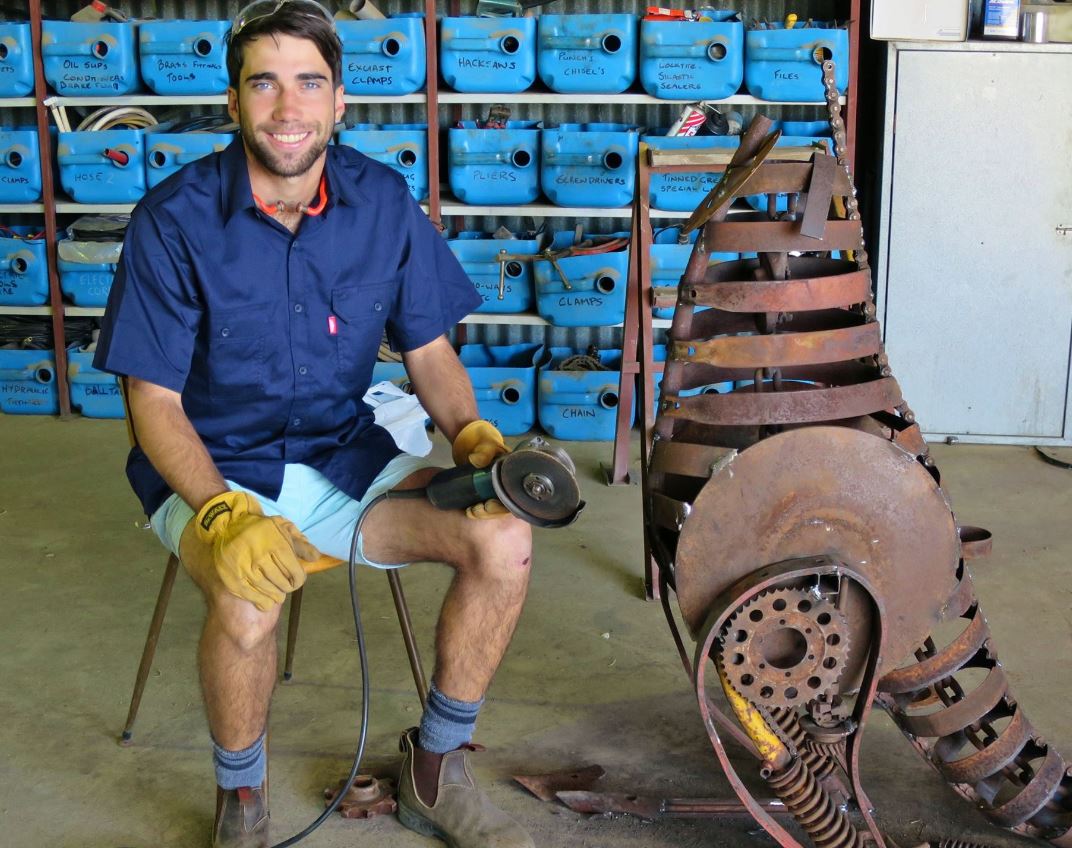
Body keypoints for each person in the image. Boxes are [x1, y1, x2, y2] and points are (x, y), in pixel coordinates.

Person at [94, 2, 535, 846]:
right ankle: (244, 803)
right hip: (210, 470)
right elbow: (152, 402)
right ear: (233, 103)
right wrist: (220, 515)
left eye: (309, 84)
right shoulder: (172, 221)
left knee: (503, 538)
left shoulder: (382, 202)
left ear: (340, 101)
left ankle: (435, 769)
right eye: (264, 83)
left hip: (343, 455)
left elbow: (430, 349)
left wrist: (470, 433)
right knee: (248, 596)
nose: (287, 109)